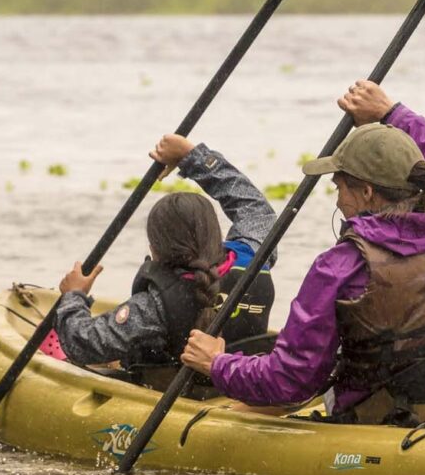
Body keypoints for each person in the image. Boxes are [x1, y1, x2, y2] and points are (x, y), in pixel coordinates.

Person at [180, 80, 425, 426]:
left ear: (366, 191)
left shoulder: (341, 268)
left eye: (339, 186)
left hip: (394, 418)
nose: (338, 200)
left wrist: (217, 363)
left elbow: (289, 382)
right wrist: (392, 114)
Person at [52, 134, 277, 372]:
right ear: (214, 233)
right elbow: (255, 209)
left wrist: (74, 296)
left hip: (174, 391)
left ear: (155, 249)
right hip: (240, 380)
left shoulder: (153, 305)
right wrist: (191, 156)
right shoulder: (253, 258)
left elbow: (81, 344)